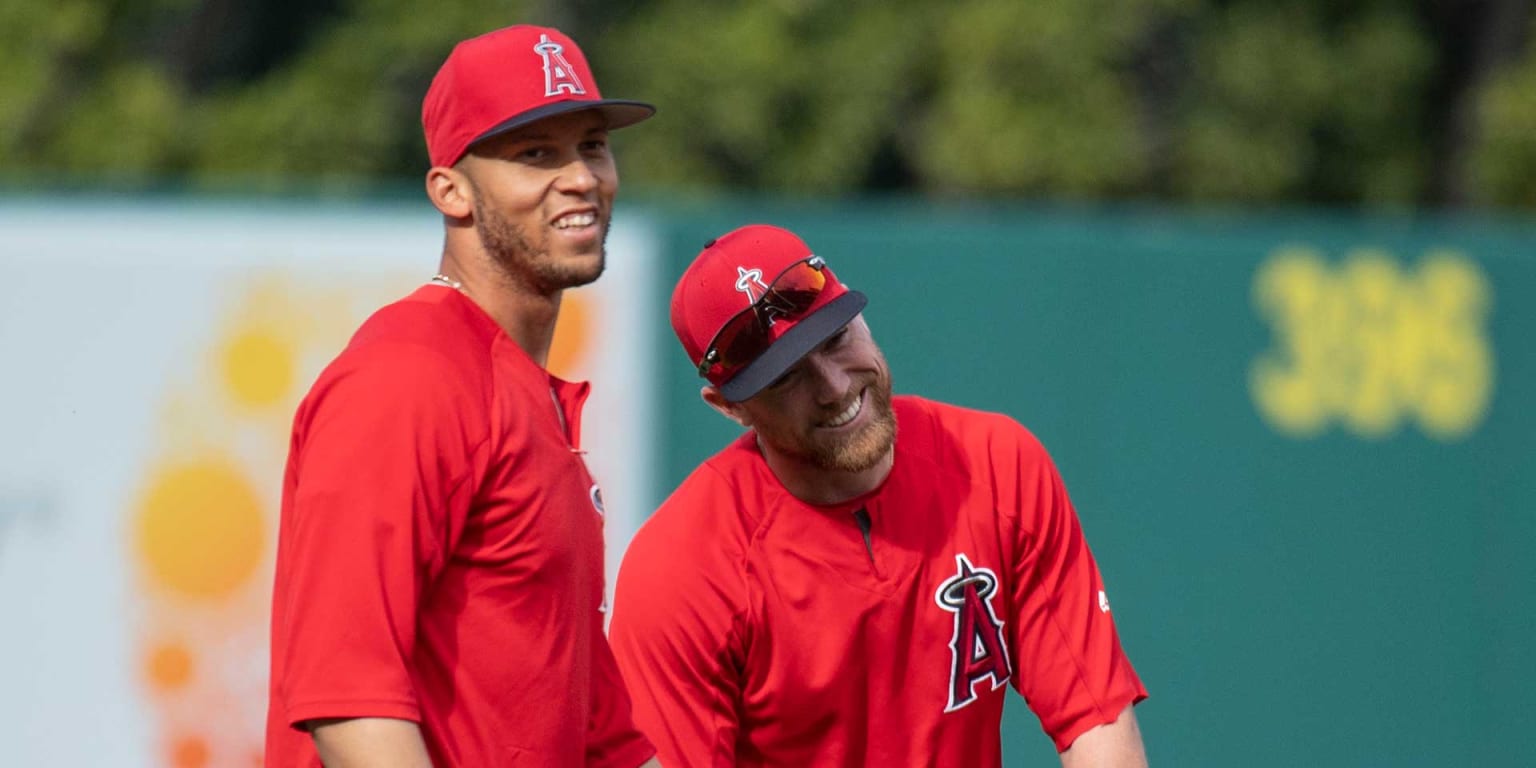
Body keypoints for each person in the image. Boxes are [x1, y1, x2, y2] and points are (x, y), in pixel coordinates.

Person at [609, 224, 1150, 767]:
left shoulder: (998, 465)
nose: (835, 387)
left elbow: (1097, 721)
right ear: (730, 407)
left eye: (836, 339)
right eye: (786, 378)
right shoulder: (683, 569)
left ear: (858, 314)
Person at [265, 24, 660, 768]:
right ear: (451, 190)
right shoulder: (407, 378)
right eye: (536, 153)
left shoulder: (526, 395)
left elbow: (603, 740)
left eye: (592, 145)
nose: (579, 176)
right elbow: (347, 704)